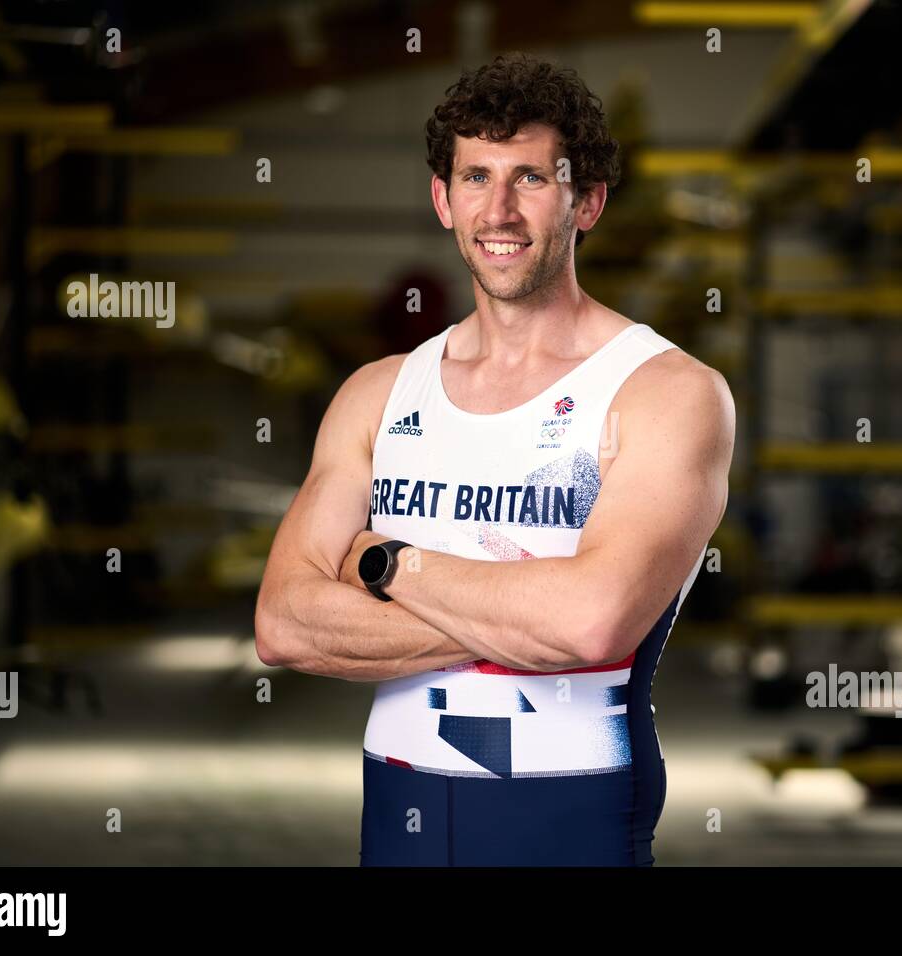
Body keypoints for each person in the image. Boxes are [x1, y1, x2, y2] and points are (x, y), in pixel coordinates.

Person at [255, 52, 735, 866]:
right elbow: (283, 625)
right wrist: (517, 615)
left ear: (586, 201)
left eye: (531, 179)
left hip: (571, 812)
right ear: (444, 200)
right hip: (400, 808)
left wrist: (387, 563)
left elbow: (591, 622)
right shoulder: (378, 393)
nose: (500, 211)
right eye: (476, 177)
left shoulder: (665, 392)